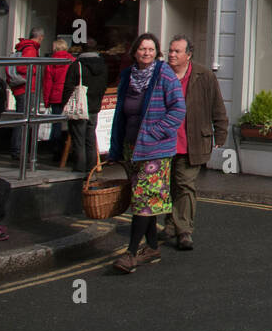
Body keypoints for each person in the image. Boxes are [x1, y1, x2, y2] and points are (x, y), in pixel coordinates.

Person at [107, 33, 184, 274]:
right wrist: (117, 146)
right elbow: (122, 111)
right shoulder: (128, 76)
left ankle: (130, 253)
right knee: (145, 199)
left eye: (151, 49)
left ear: (157, 52)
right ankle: (151, 247)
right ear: (135, 52)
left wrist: (154, 131)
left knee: (142, 199)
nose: (146, 53)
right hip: (132, 146)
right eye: (142, 49)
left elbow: (178, 109)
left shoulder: (164, 74)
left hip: (155, 149)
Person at [162, 35, 229, 250]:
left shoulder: (204, 75)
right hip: (164, 141)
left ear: (188, 55)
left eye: (177, 51)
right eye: (170, 50)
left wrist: (220, 133)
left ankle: (184, 230)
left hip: (192, 141)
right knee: (169, 185)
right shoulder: (161, 74)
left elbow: (217, 105)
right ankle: (172, 224)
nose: (172, 55)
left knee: (185, 184)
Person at [70, 39, 108, 174]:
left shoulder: (77, 65)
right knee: (91, 138)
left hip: (80, 106)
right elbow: (104, 84)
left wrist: (65, 103)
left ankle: (79, 169)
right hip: (94, 105)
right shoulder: (103, 65)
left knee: (79, 139)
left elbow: (68, 85)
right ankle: (90, 170)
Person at [6, 27, 44, 159]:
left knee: (22, 118)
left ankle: (18, 150)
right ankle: (18, 151)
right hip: (26, 88)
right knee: (24, 119)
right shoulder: (30, 48)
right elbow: (23, 67)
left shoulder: (24, 47)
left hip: (22, 87)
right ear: (40, 37)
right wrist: (36, 69)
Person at [42, 37, 77, 160]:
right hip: (69, 94)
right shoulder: (72, 61)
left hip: (56, 95)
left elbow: (47, 83)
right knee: (72, 123)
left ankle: (56, 151)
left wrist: (46, 101)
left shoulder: (51, 62)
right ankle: (71, 151)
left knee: (56, 124)